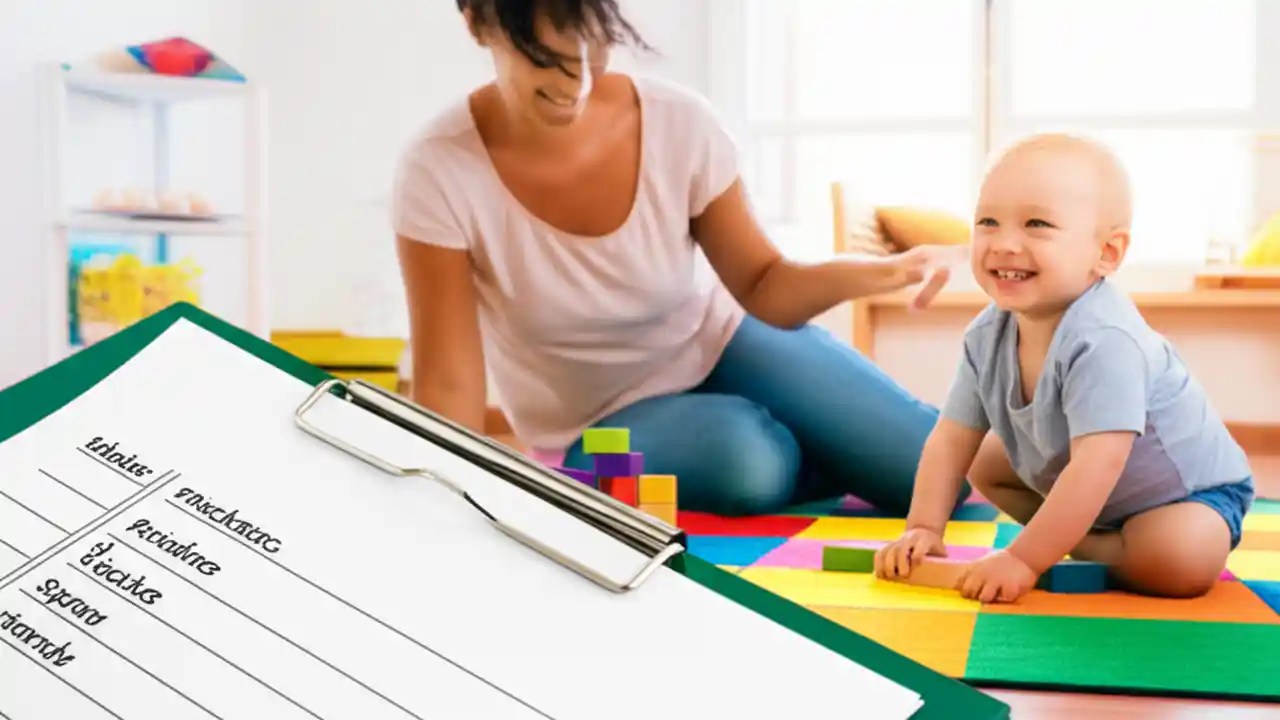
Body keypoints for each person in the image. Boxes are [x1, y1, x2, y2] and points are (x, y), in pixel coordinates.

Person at [392, 0, 969, 517]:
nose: (579, 82)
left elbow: (764, 283)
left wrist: (884, 272)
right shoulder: (439, 168)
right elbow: (448, 381)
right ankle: (791, 445)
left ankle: (813, 444)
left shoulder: (679, 123)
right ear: (477, 21)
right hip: (594, 418)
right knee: (749, 464)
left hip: (721, 340)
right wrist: (440, 512)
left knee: (936, 473)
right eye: (547, 59)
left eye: (595, 48)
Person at [874, 133, 1255, 602]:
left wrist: (1023, 559)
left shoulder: (1106, 339)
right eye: (987, 222)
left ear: (1106, 254)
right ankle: (1078, 536)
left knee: (1181, 559)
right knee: (986, 461)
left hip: (1182, 498)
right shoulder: (986, 335)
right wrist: (924, 528)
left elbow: (1099, 463)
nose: (1004, 243)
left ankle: (1078, 544)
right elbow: (951, 438)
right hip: (1086, 486)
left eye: (1037, 224)